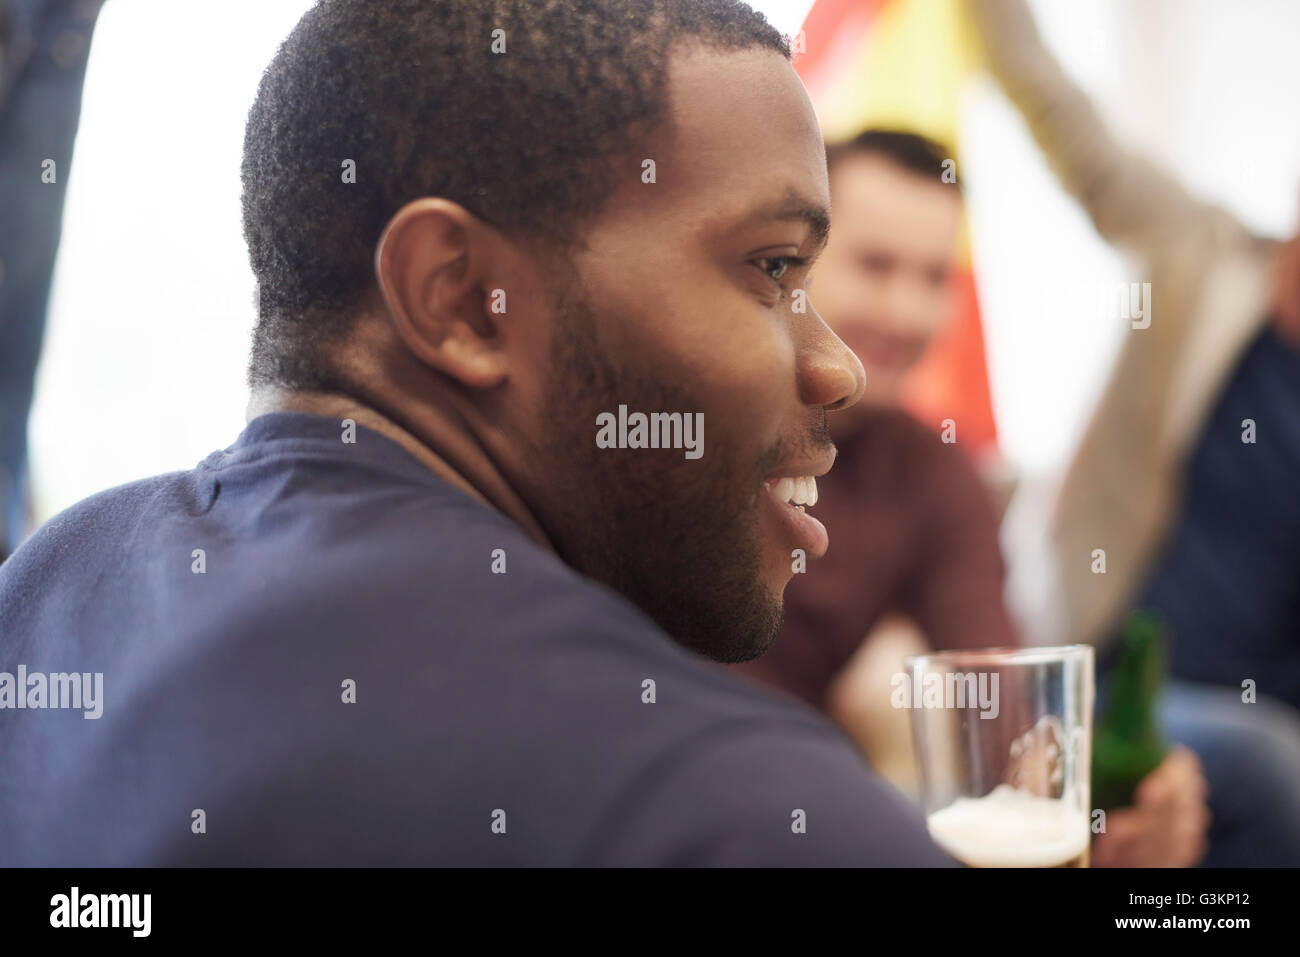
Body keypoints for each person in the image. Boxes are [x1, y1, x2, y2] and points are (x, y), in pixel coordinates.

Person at [0, 0, 956, 866]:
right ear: (462, 300)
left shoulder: (47, 588)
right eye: (772, 266)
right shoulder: (738, 818)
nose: (840, 367)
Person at [728, 126, 1300, 866]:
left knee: (1248, 762)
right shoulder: (712, 423)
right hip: (730, 786)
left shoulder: (935, 470)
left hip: (831, 786)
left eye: (934, 277)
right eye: (875, 265)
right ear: (794, 264)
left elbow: (1005, 710)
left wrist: (1110, 813)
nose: (906, 310)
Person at [971, 0, 1300, 865]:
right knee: (1268, 765)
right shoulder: (1201, 253)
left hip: (1272, 713)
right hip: (1113, 676)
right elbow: (1066, 123)